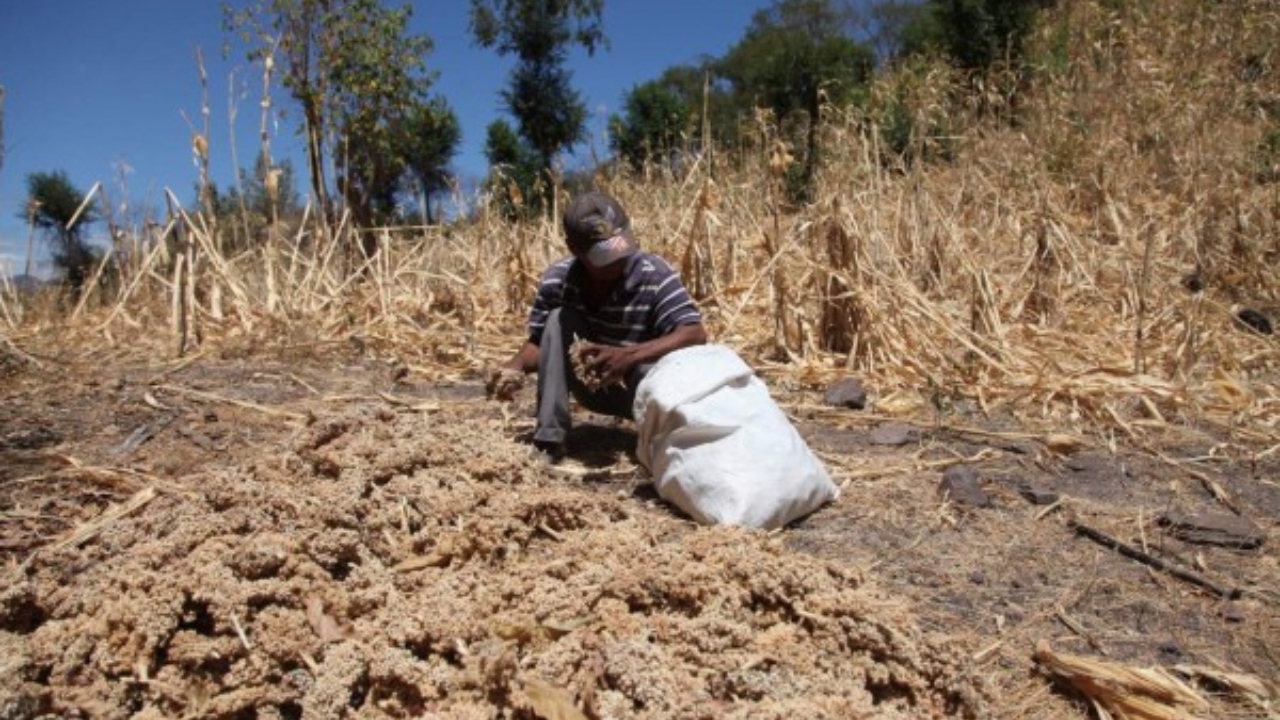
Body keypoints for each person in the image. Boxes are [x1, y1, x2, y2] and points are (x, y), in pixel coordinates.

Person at [487, 191, 707, 460]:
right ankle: (549, 439)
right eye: (603, 255)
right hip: (592, 386)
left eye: (620, 249)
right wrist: (514, 368)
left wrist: (628, 356)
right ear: (574, 249)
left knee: (648, 369)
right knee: (557, 319)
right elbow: (543, 343)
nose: (616, 261)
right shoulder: (558, 281)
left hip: (645, 391)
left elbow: (694, 333)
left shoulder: (655, 274)